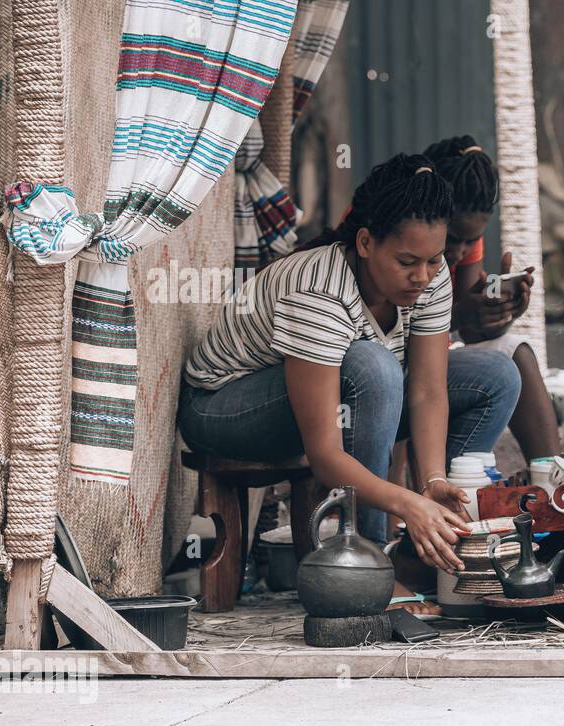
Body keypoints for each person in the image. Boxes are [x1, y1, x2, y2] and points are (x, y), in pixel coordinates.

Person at [178, 153, 521, 613]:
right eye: (406, 261)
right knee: (370, 366)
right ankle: (369, 563)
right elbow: (325, 456)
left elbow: (427, 391)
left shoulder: (431, 277)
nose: (422, 276)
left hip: (329, 396)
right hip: (223, 408)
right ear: (364, 242)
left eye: (434, 260)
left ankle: (436, 547)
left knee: (496, 376)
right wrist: (404, 502)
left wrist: (433, 481)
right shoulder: (318, 289)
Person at [423, 135, 562, 461]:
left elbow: (471, 332)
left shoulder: (469, 239)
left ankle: (555, 483)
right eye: (452, 238)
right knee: (500, 370)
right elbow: (401, 329)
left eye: (470, 241)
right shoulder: (407, 237)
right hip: (399, 364)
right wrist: (462, 315)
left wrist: (501, 311)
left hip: (439, 359)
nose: (458, 252)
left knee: (518, 351)